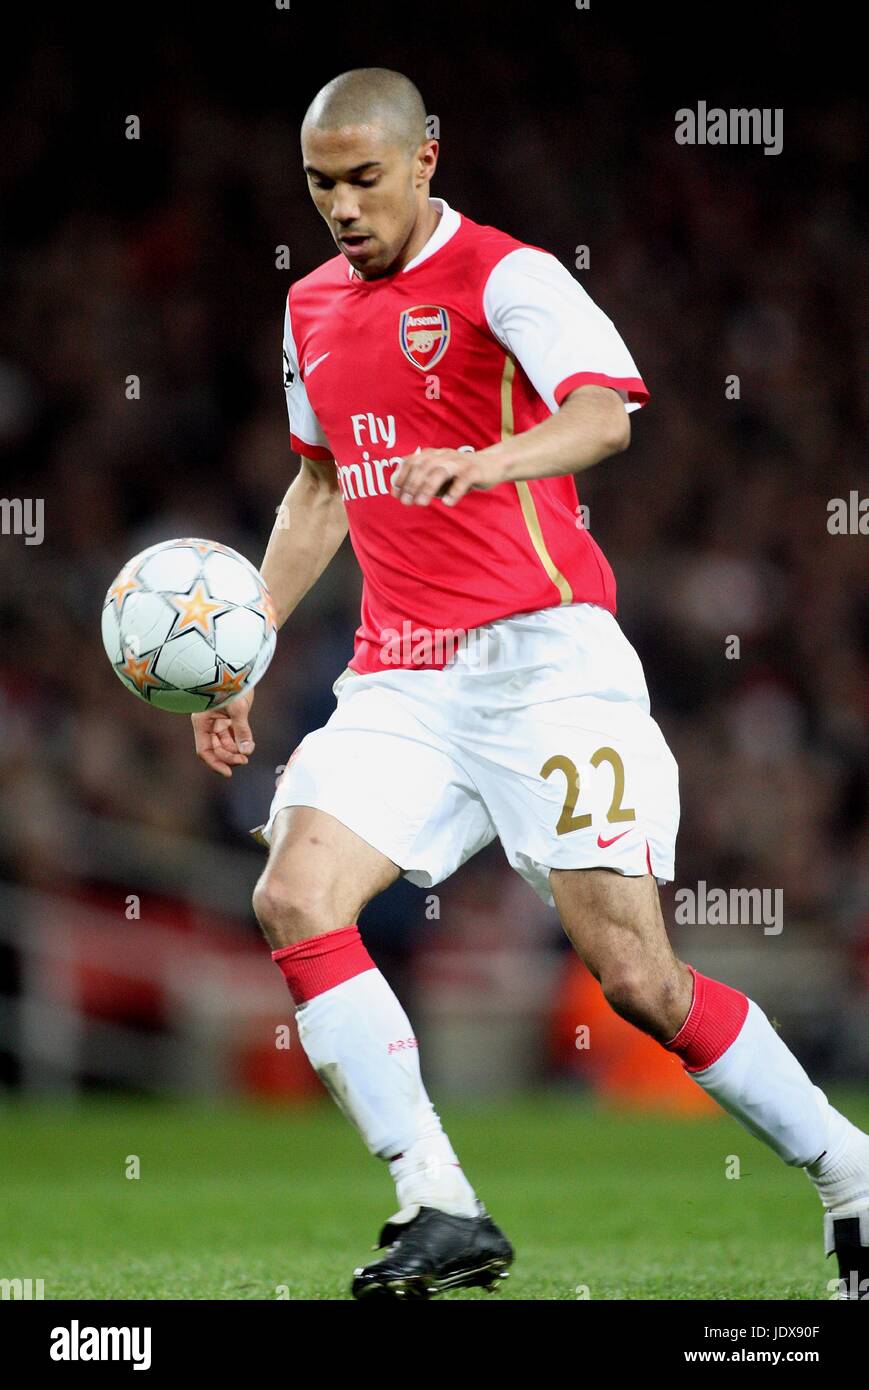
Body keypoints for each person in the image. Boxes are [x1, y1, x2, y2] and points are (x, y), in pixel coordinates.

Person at [192, 67, 869, 1301]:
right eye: (319, 184)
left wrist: (489, 460)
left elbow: (604, 415)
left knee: (636, 981)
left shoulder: (510, 275)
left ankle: (850, 1178)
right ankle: (437, 1203)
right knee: (293, 895)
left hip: (547, 665)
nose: (341, 206)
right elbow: (320, 487)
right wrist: (247, 646)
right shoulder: (308, 312)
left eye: (362, 178)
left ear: (424, 158)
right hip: (399, 678)